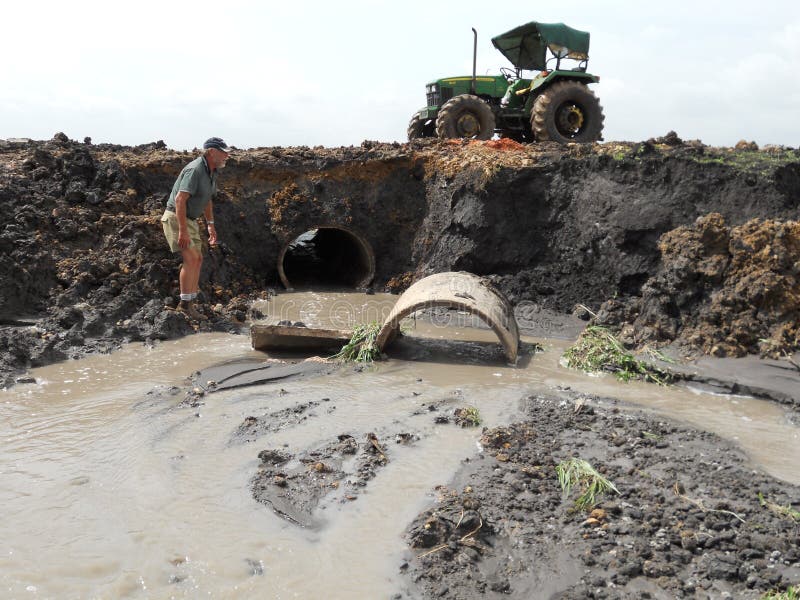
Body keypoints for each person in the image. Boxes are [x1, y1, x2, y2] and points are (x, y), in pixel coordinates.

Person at [161, 137, 231, 320]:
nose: (227, 155)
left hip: (190, 219)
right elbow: (179, 200)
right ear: (211, 152)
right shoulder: (195, 169)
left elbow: (207, 199)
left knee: (198, 259)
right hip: (177, 217)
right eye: (223, 152)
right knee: (191, 258)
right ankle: (185, 305)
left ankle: (189, 303)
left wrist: (211, 225)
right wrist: (182, 230)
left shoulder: (212, 171)